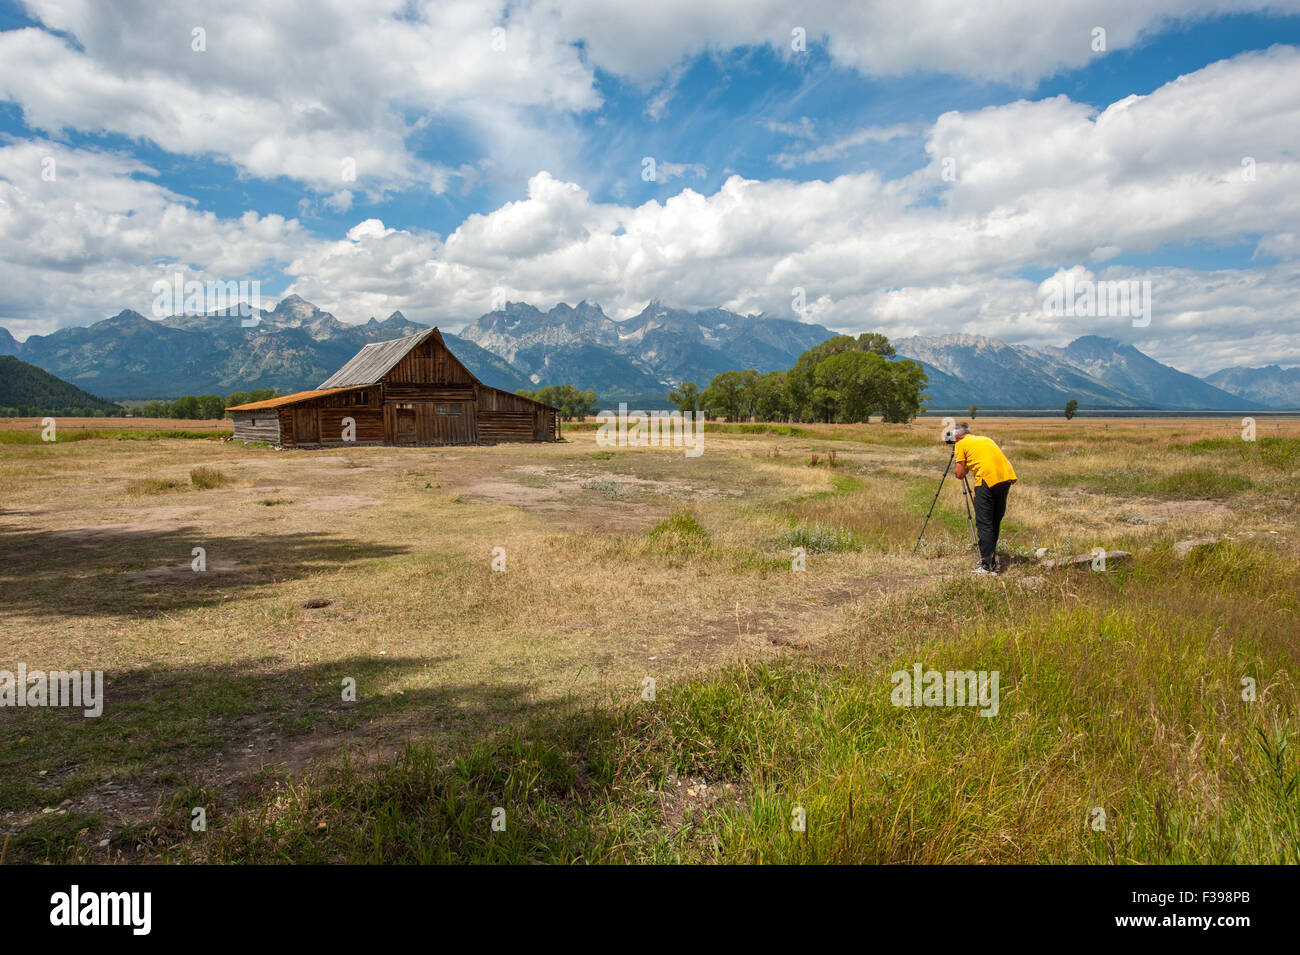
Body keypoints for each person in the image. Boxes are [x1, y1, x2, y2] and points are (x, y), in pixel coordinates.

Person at [951, 421, 1017, 575]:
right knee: (994, 520)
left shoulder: (961, 445)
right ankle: (990, 558)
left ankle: (986, 565)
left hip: (986, 480)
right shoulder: (985, 439)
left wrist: (961, 462)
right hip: (1005, 478)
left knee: (984, 522)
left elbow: (960, 474)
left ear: (956, 436)